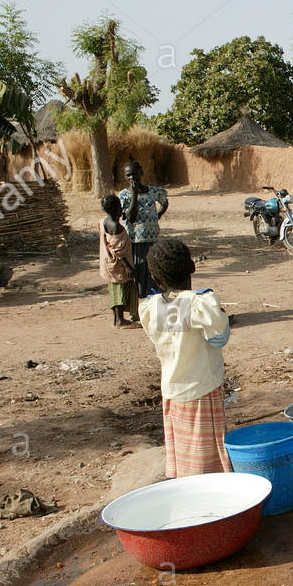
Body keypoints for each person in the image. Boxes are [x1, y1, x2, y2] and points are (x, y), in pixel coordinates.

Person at [139, 238, 232, 478]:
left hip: (172, 392)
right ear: (192, 268)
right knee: (207, 459)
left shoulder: (150, 308)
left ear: (157, 280)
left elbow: (161, 332)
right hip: (202, 389)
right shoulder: (200, 304)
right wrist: (221, 314)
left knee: (185, 457)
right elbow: (219, 336)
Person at [119, 159, 169, 298]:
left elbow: (165, 202)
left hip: (152, 237)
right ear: (124, 177)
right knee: (139, 267)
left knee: (152, 268)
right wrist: (134, 194)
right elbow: (130, 217)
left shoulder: (153, 191)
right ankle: (141, 298)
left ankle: (153, 297)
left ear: (141, 173)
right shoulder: (124, 195)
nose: (132, 178)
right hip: (135, 239)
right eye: (128, 175)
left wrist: (156, 216)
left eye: (134, 174)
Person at [99, 194, 138, 327]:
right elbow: (119, 251)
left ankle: (117, 319)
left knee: (115, 291)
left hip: (108, 263)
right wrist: (128, 266)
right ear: (117, 208)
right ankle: (121, 320)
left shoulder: (103, 222)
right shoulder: (117, 227)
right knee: (121, 291)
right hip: (119, 265)